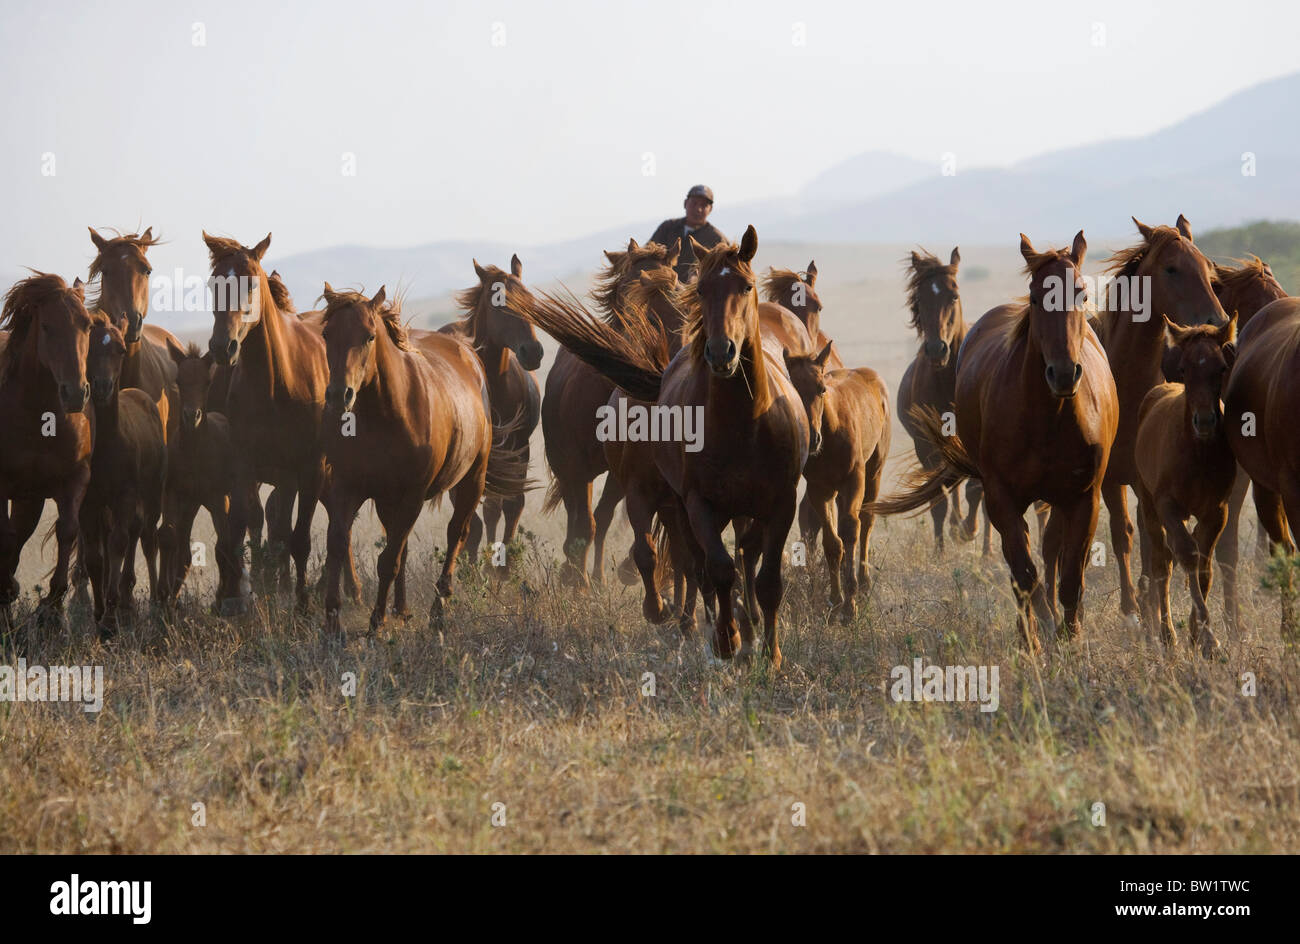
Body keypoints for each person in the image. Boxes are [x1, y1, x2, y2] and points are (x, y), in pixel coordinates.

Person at [649, 185, 727, 283]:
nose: (698, 209)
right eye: (694, 203)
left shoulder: (717, 239)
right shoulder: (668, 227)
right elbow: (648, 253)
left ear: (710, 209)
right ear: (685, 203)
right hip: (661, 289)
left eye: (704, 205)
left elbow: (727, 270)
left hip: (694, 295)